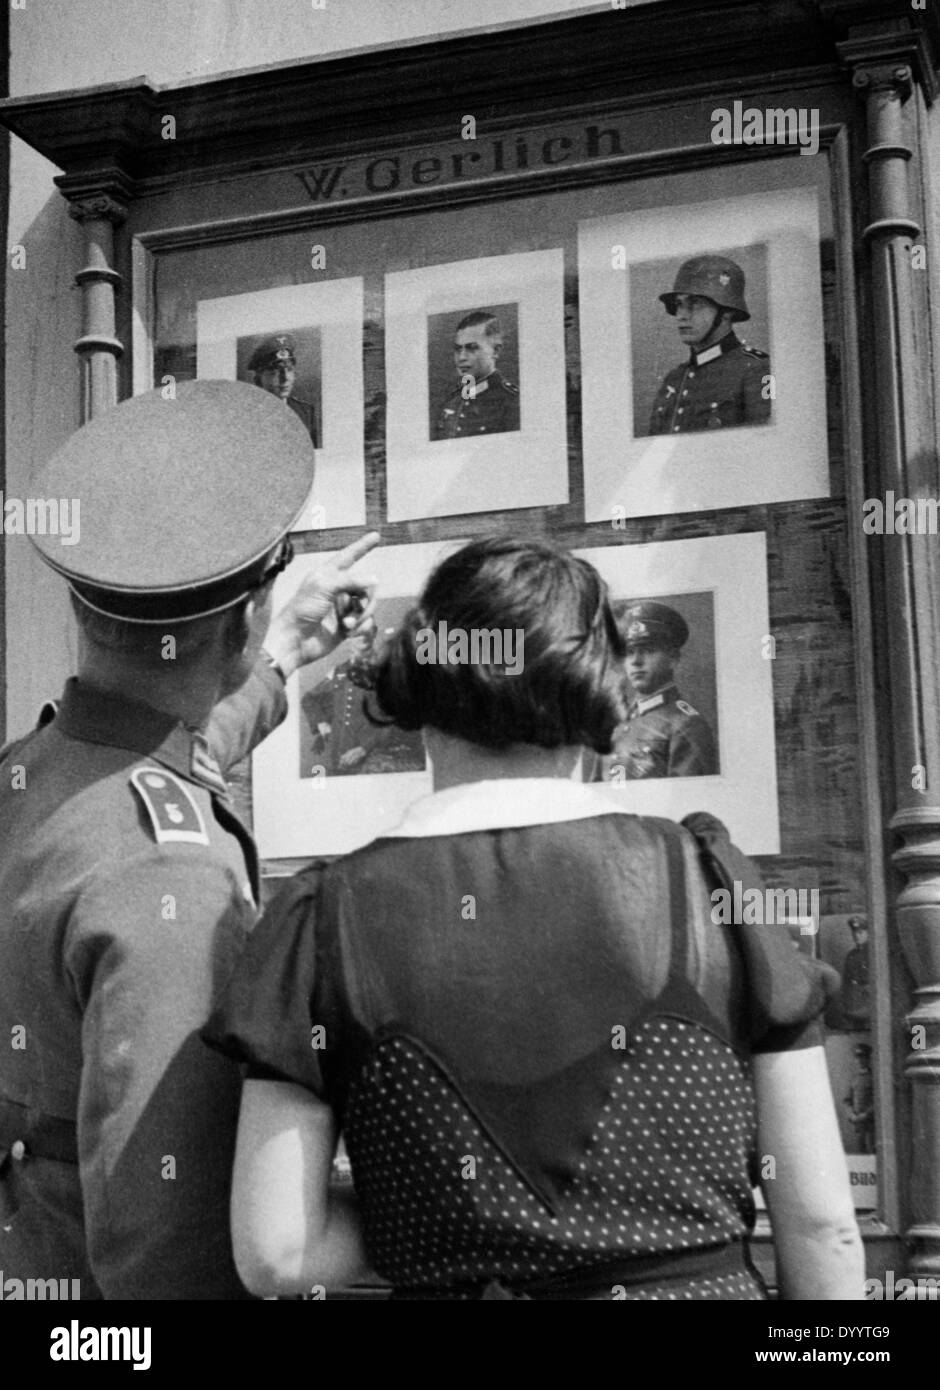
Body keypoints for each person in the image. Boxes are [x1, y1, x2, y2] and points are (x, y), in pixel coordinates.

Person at [205, 536, 863, 1301]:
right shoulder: (709, 882)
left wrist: (426, 1227)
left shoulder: (319, 919)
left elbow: (278, 1253)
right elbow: (823, 1229)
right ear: (599, 691)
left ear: (417, 684)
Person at [0, 379, 379, 1300]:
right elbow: (166, 1244)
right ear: (245, 614)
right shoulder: (170, 867)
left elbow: (143, 768)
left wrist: (278, 659)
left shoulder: (35, 769)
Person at [647, 255, 771, 435]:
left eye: (695, 304)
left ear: (726, 312)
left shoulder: (758, 369)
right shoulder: (673, 380)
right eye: (679, 304)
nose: (681, 315)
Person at [600, 601, 718, 780]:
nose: (636, 661)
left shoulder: (686, 726)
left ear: (673, 659)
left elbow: (688, 802)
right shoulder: (620, 723)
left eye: (647, 650)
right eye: (629, 652)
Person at [432, 310, 520, 440]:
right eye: (458, 349)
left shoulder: (512, 402)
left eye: (472, 348)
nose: (461, 357)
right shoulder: (453, 400)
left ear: (495, 351)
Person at [248, 332, 320, 449]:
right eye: (274, 372)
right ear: (258, 379)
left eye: (289, 370)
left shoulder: (306, 412)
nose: (285, 379)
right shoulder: (248, 415)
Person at [843, 1045, 875, 1155]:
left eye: (863, 1057)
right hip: (857, 1125)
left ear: (868, 1058)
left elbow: (878, 1101)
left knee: (872, 1152)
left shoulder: (874, 1077)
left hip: (871, 1125)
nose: (860, 1060)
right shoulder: (854, 1079)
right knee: (860, 1154)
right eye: (858, 1058)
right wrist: (851, 1114)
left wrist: (866, 1114)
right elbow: (847, 1100)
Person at [840, 916, 871, 1030]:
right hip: (854, 1000)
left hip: (868, 1000)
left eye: (860, 932)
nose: (856, 936)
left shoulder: (872, 953)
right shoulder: (851, 955)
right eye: (854, 933)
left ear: (868, 933)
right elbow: (847, 981)